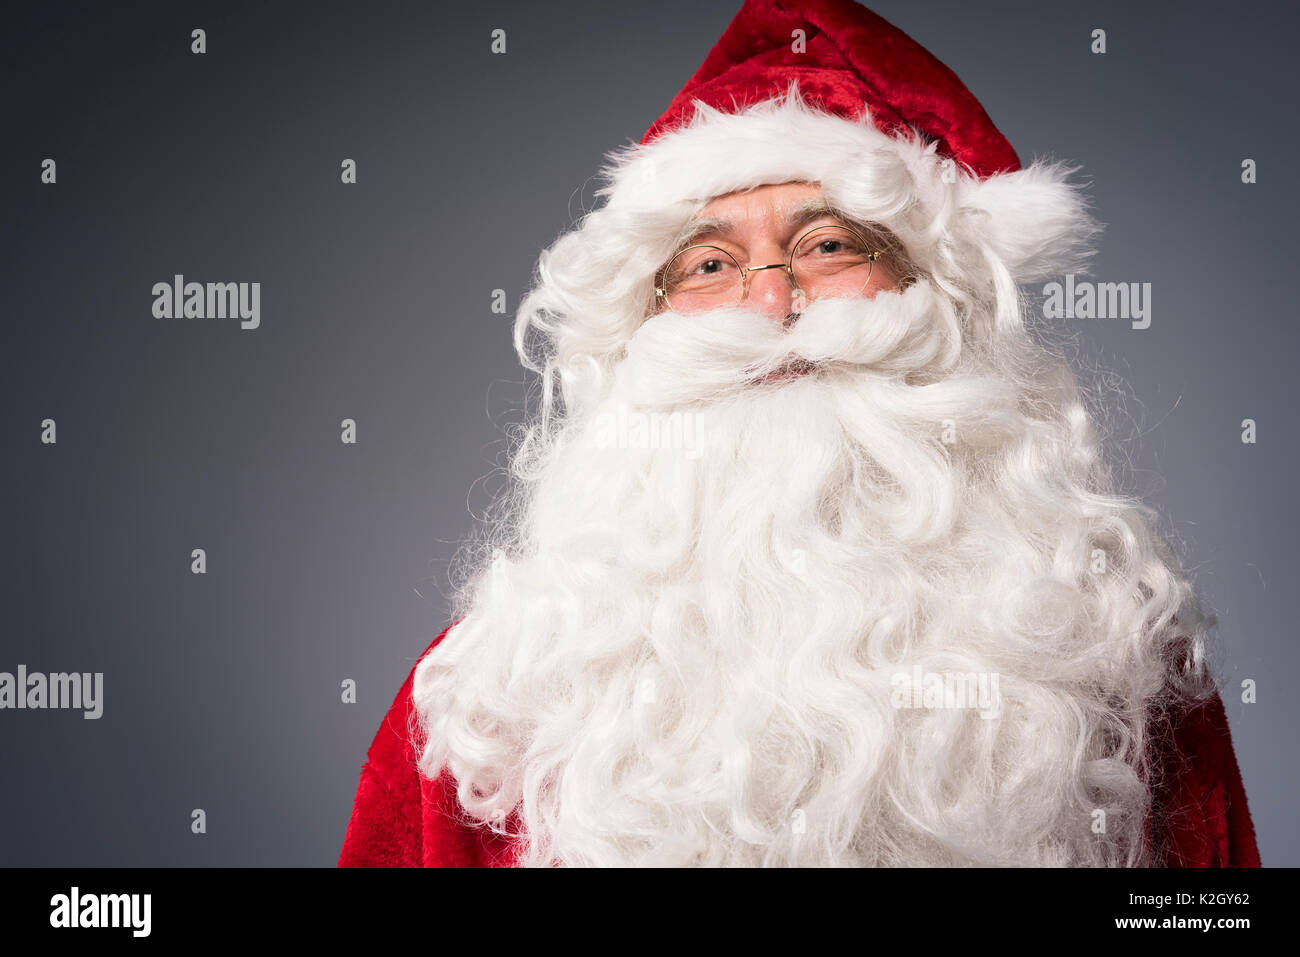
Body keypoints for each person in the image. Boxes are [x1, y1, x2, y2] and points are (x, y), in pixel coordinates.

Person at [339, 0, 1260, 867]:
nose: (772, 301)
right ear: (644, 326)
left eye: (828, 246)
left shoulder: (1113, 667)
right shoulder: (489, 697)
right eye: (710, 263)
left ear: (935, 300)